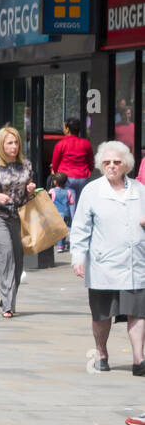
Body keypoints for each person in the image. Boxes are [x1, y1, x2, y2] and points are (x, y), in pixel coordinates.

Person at [69, 141, 145, 374]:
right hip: (104, 263)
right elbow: (80, 227)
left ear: (126, 165)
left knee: (138, 311)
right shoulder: (93, 191)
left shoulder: (140, 190)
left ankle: (138, 359)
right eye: (107, 162)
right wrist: (78, 257)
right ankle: (101, 351)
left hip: (135, 261)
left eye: (117, 162)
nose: (112, 166)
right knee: (102, 314)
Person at [0, 126, 37, 317]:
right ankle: (8, 304)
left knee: (18, 261)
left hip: (19, 217)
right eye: (9, 143)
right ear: (1, 145)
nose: (14, 146)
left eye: (16, 143)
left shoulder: (26, 165)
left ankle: (7, 294)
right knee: (6, 258)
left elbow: (30, 196)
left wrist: (31, 190)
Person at [51, 117, 94, 209]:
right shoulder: (86, 143)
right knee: (82, 204)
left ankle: (70, 223)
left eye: (64, 127)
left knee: (68, 205)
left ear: (67, 129)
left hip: (66, 178)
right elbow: (91, 162)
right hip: (83, 177)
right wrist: (88, 171)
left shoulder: (61, 144)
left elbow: (55, 163)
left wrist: (56, 174)